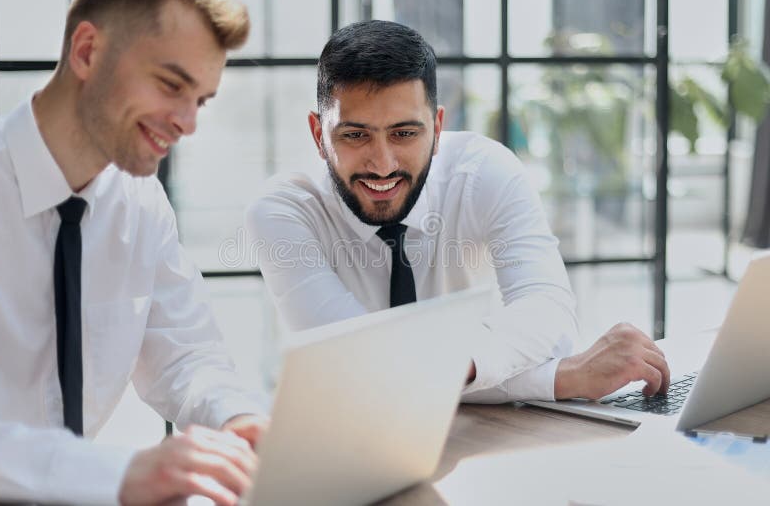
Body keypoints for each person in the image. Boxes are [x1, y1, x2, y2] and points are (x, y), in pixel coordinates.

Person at [245, 20, 671, 405]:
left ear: (437, 129)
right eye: (355, 135)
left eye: (405, 133)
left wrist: (458, 367)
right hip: (346, 436)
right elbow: (366, 369)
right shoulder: (284, 211)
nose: (383, 163)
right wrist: (560, 379)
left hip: (486, 433)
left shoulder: (485, 171)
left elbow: (547, 313)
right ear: (319, 135)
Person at [0, 0, 267, 504]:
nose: (188, 124)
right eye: (172, 85)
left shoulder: (139, 203)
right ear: (86, 52)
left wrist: (237, 418)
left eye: (201, 99)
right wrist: (115, 473)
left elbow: (184, 354)